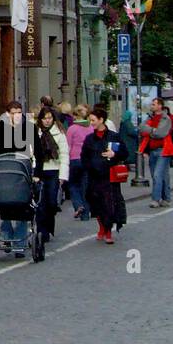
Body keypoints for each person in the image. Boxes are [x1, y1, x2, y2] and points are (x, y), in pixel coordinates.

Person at [0, 102, 30, 255]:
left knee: (22, 206)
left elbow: (35, 149)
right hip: (3, 170)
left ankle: (20, 241)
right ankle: (5, 235)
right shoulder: (0, 128)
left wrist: (36, 172)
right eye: (13, 113)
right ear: (7, 114)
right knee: (4, 204)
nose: (16, 115)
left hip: (21, 170)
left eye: (19, 112)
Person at [81, 104, 122, 244]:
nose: (91, 123)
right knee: (96, 203)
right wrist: (87, 167)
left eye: (93, 120)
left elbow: (125, 152)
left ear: (101, 120)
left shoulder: (113, 136)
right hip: (94, 175)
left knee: (109, 204)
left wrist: (114, 154)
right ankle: (102, 227)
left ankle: (108, 230)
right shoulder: (89, 139)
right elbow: (84, 156)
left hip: (109, 175)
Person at [33, 105, 69, 243]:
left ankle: (49, 225)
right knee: (40, 203)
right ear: (40, 119)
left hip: (54, 170)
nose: (47, 121)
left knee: (52, 202)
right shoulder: (36, 133)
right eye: (44, 118)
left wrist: (62, 176)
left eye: (49, 118)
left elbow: (64, 154)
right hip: (40, 171)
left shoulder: (59, 133)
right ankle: (43, 232)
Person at [138, 98, 172, 207]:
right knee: (159, 175)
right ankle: (166, 198)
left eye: (154, 104)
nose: (151, 106)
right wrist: (153, 131)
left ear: (160, 106)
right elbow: (141, 128)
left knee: (158, 175)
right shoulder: (150, 117)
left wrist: (150, 131)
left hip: (163, 150)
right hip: (152, 150)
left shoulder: (166, 118)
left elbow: (161, 133)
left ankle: (156, 199)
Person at [65, 105, 92, 220]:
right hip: (87, 160)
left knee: (73, 184)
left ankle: (78, 205)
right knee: (85, 187)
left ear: (75, 116)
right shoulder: (91, 128)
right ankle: (85, 214)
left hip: (74, 159)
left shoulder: (72, 128)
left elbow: (68, 146)